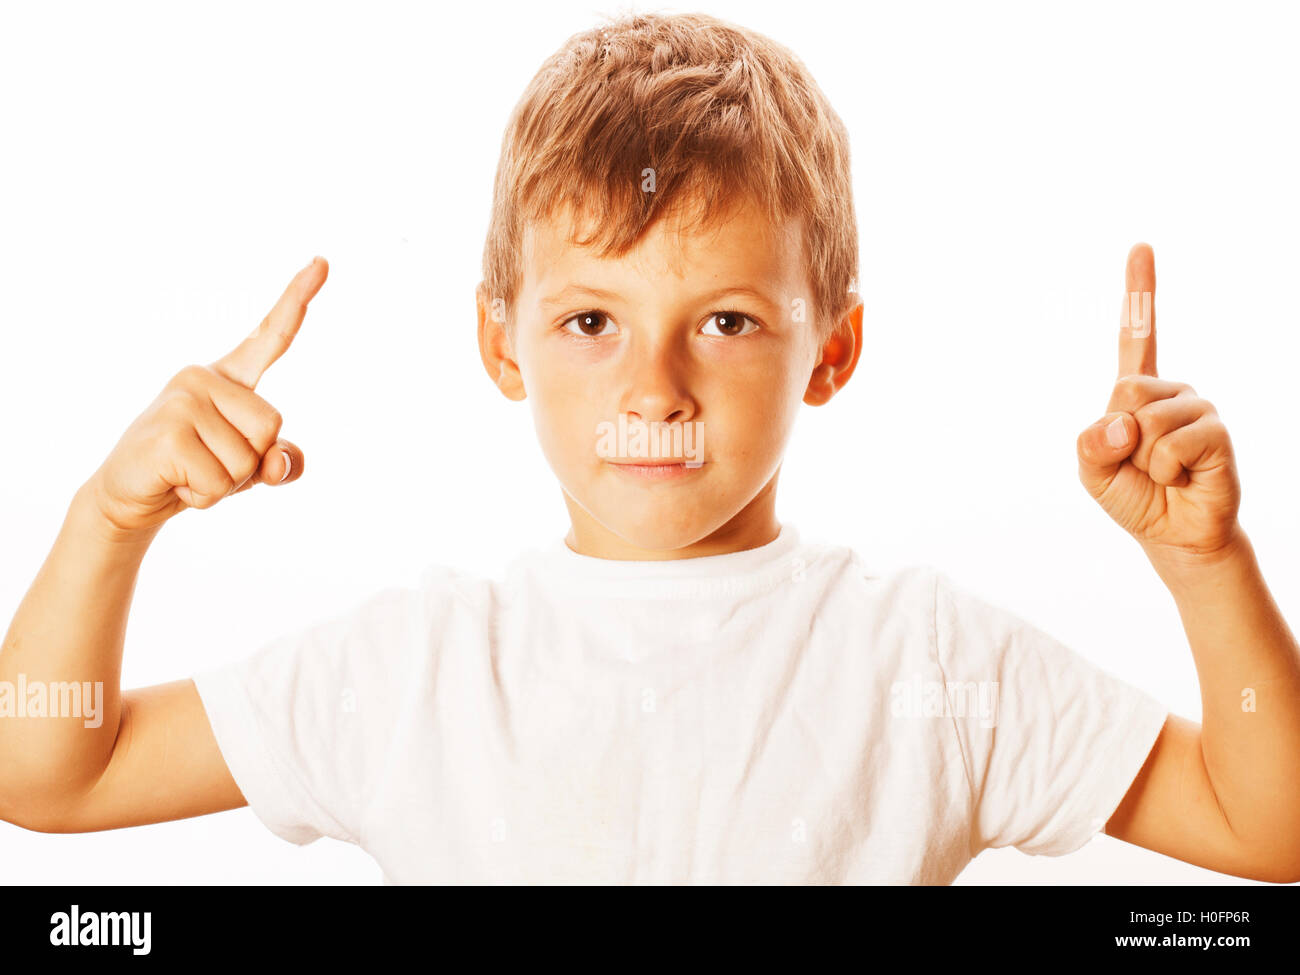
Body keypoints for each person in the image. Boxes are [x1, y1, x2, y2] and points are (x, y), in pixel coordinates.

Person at [2, 11, 1298, 884]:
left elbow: (1269, 823)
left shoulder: (931, 665)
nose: (657, 384)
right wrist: (106, 525)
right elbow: (50, 771)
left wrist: (1206, 567)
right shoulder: (411, 675)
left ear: (831, 352)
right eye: (589, 322)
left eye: (725, 320)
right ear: (502, 343)